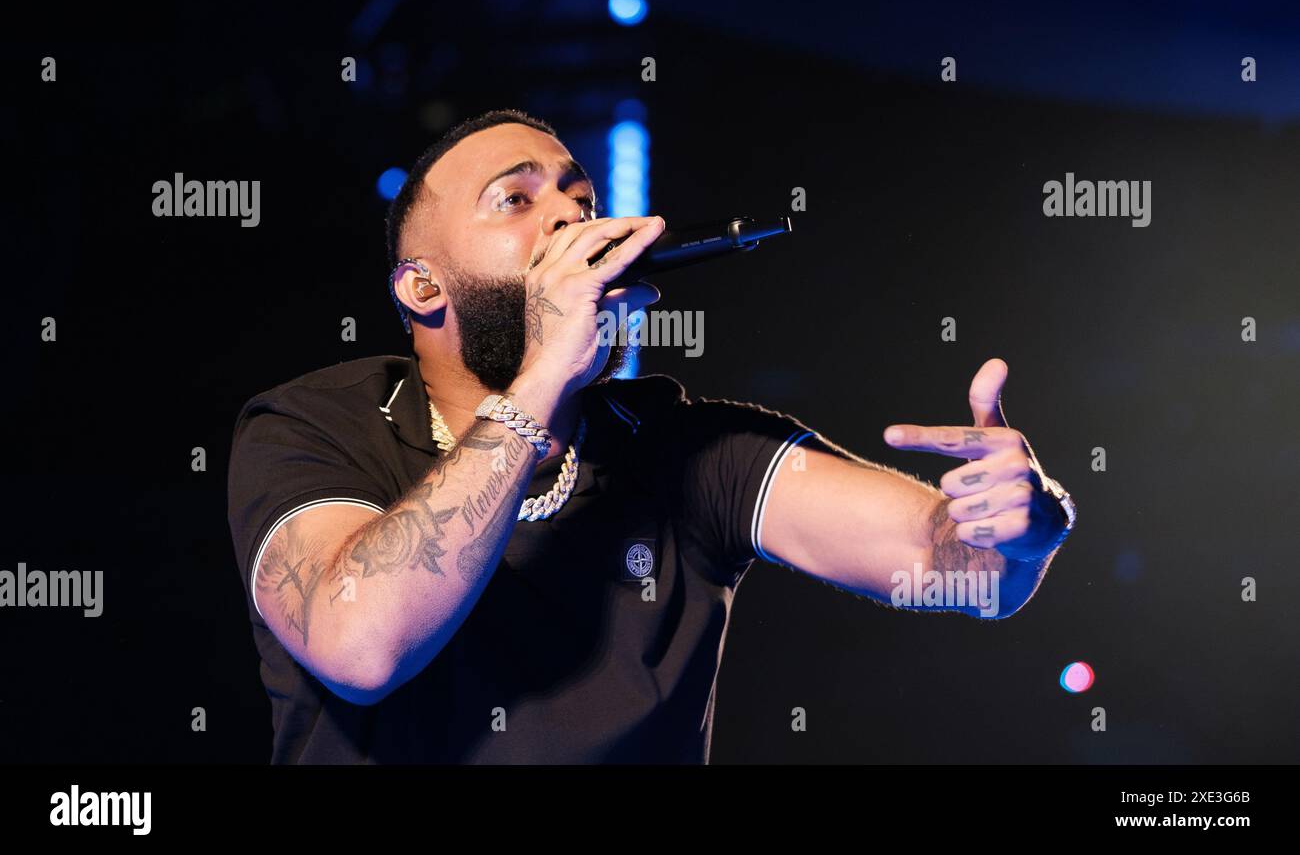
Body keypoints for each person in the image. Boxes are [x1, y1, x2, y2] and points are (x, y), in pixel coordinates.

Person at [226, 109, 1077, 763]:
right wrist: (542, 375)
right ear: (421, 286)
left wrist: (1021, 529)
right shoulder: (314, 424)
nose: (569, 217)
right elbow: (361, 645)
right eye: (516, 199)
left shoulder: (689, 451)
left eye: (579, 197)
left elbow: (964, 575)